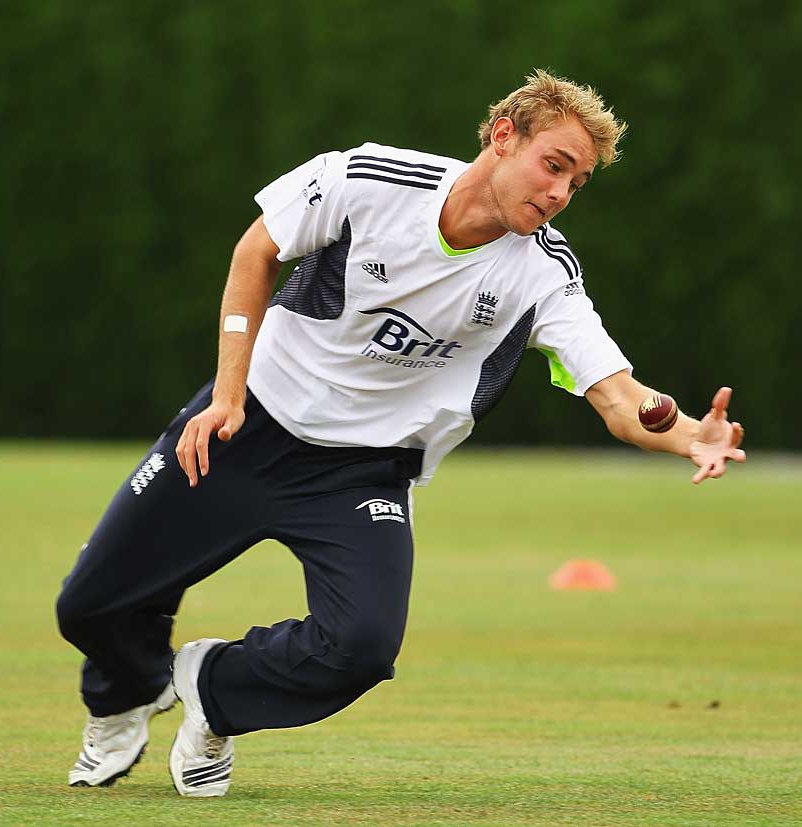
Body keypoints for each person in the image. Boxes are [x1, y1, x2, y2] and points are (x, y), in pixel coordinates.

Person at [56, 69, 746, 798]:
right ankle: (123, 698)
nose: (558, 194)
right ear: (502, 136)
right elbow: (254, 251)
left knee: (361, 647)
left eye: (576, 183)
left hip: (364, 475)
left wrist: (689, 435)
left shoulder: (543, 273)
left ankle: (211, 688)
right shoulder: (369, 179)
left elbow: (616, 395)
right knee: (89, 605)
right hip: (249, 422)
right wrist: (227, 393)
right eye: (554, 166)